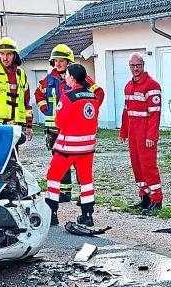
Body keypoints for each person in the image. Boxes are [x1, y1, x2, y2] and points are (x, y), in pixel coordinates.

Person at [35, 44, 105, 203]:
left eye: (62, 61)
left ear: (69, 62)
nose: (58, 64)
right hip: (55, 130)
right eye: (56, 61)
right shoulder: (48, 79)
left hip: (74, 132)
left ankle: (79, 198)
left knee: (80, 169)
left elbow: (98, 93)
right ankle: (64, 194)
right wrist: (45, 109)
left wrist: (86, 116)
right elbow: (38, 94)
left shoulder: (80, 76)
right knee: (61, 168)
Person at [46, 63, 100, 227]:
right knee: (86, 181)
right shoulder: (93, 97)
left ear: (73, 78)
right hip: (87, 147)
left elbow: (59, 122)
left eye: (67, 75)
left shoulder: (68, 97)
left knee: (53, 177)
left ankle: (52, 213)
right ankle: (87, 215)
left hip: (68, 148)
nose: (65, 77)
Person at [120, 52, 163, 214]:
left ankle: (156, 200)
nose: (135, 69)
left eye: (138, 65)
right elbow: (126, 111)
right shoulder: (128, 86)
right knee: (137, 166)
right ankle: (144, 198)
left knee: (148, 166)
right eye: (132, 66)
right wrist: (123, 132)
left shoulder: (152, 85)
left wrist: (151, 136)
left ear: (143, 65)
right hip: (133, 134)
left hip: (145, 135)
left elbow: (155, 114)